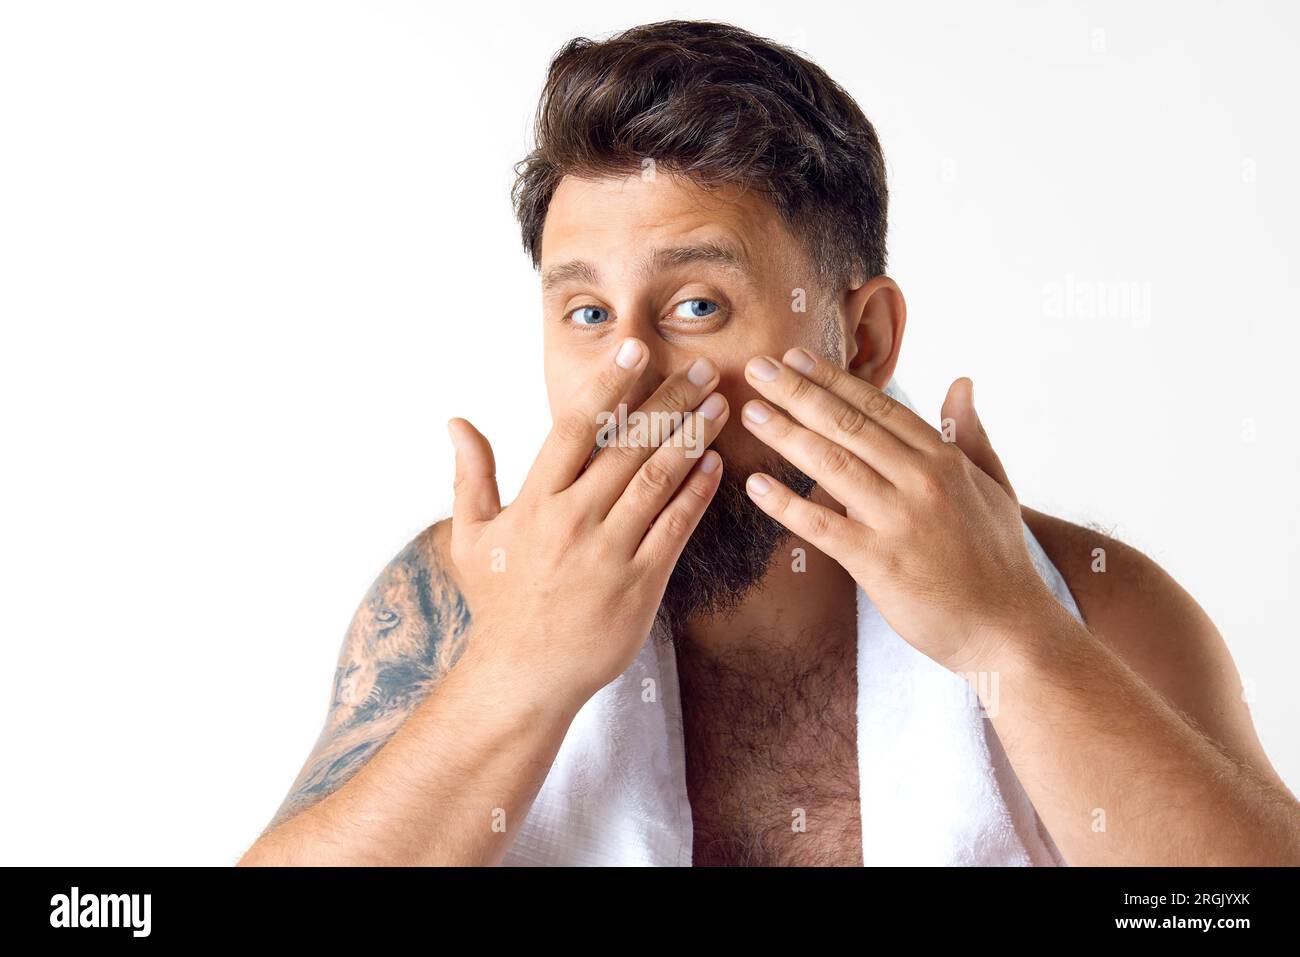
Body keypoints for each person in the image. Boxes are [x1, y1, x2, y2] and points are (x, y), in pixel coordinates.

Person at [237, 19, 1299, 866]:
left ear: (865, 336)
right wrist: (514, 676)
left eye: (697, 306)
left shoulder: (1088, 604)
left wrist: (1010, 644)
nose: (629, 373)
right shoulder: (460, 601)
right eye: (587, 314)